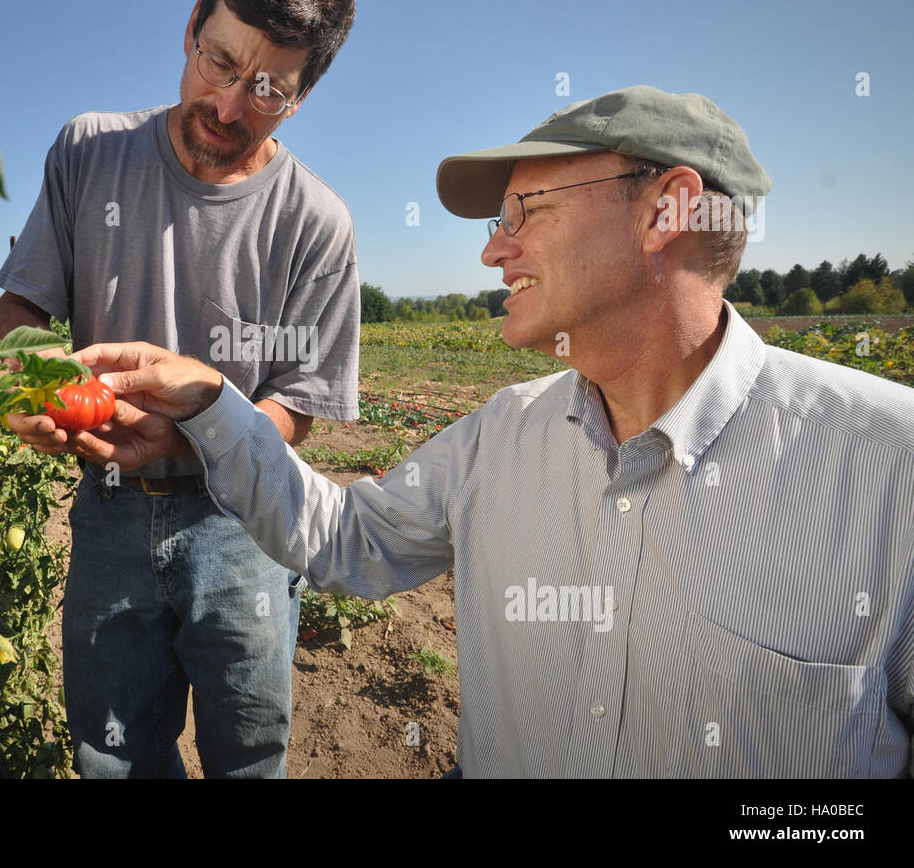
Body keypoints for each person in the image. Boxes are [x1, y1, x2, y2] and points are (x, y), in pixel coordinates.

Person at [70, 85, 914, 778]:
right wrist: (216, 402)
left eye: (524, 211)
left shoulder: (891, 471)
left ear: (667, 211)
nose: (491, 252)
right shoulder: (500, 438)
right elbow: (343, 536)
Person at [0, 0, 358, 778]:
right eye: (219, 62)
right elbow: (18, 310)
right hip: (111, 510)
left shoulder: (317, 221)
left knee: (248, 754)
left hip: (246, 524)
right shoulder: (90, 153)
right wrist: (27, 386)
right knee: (115, 757)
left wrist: (197, 436)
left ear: (302, 95)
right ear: (192, 23)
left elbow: (299, 405)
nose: (229, 105)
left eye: (267, 88)